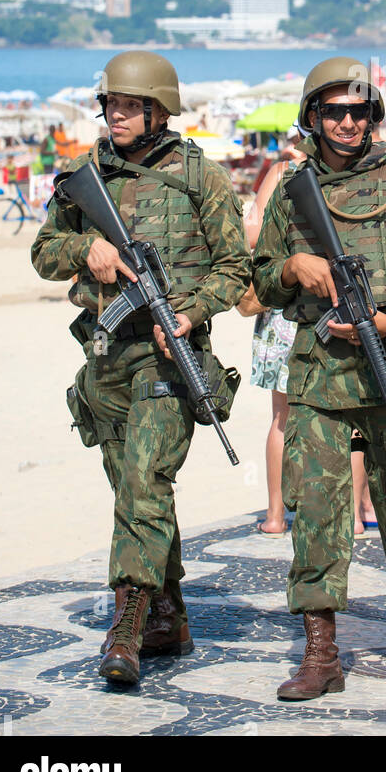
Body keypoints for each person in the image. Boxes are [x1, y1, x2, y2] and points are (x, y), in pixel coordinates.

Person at [252, 56, 386, 701]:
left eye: (358, 111)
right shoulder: (293, 192)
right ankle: (321, 652)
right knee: (316, 510)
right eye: (333, 112)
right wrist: (295, 266)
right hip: (320, 377)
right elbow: (259, 280)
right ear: (312, 118)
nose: (347, 123)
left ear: (373, 116)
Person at [30, 52, 251, 687]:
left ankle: (124, 627)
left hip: (168, 358)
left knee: (144, 483)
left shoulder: (198, 177)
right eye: (111, 106)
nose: (117, 116)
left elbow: (235, 269)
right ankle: (169, 614)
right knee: (134, 490)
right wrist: (86, 248)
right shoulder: (82, 176)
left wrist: (190, 311)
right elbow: (44, 253)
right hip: (104, 360)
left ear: (159, 110)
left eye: (131, 106)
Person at [238, 129, 380, 539]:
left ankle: (277, 516)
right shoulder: (362, 171)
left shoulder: (282, 172)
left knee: (282, 419)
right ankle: (356, 513)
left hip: (285, 308)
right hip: (338, 305)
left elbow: (255, 236)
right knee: (353, 415)